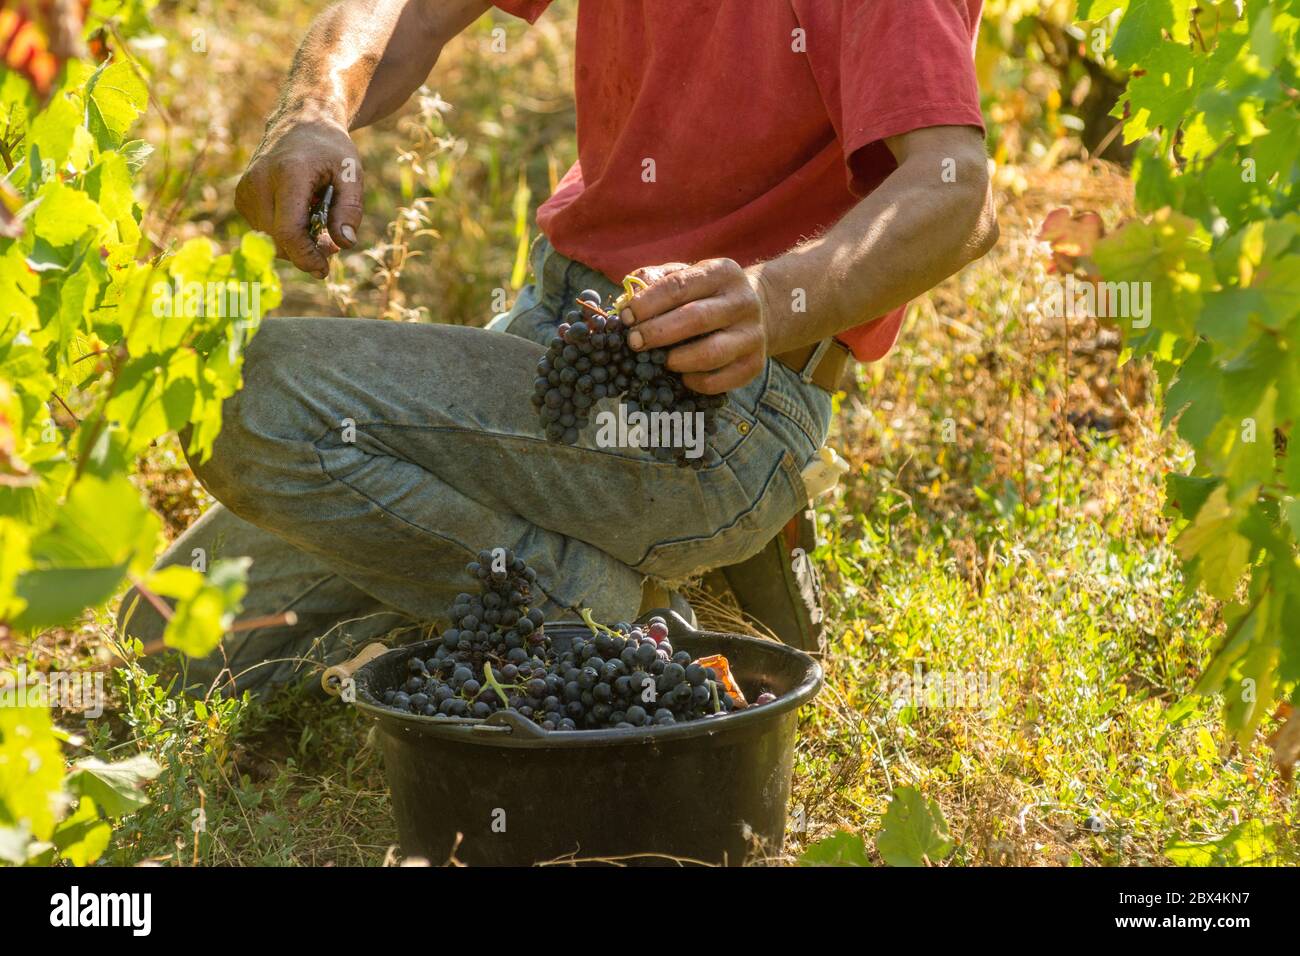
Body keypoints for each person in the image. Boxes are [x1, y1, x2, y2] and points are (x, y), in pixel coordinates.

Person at [119, 0, 997, 695]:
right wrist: (313, 111)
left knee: (253, 399)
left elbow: (958, 193)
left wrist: (771, 301)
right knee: (164, 635)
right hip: (563, 341)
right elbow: (411, 13)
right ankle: (616, 577)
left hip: (715, 396)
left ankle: (602, 615)